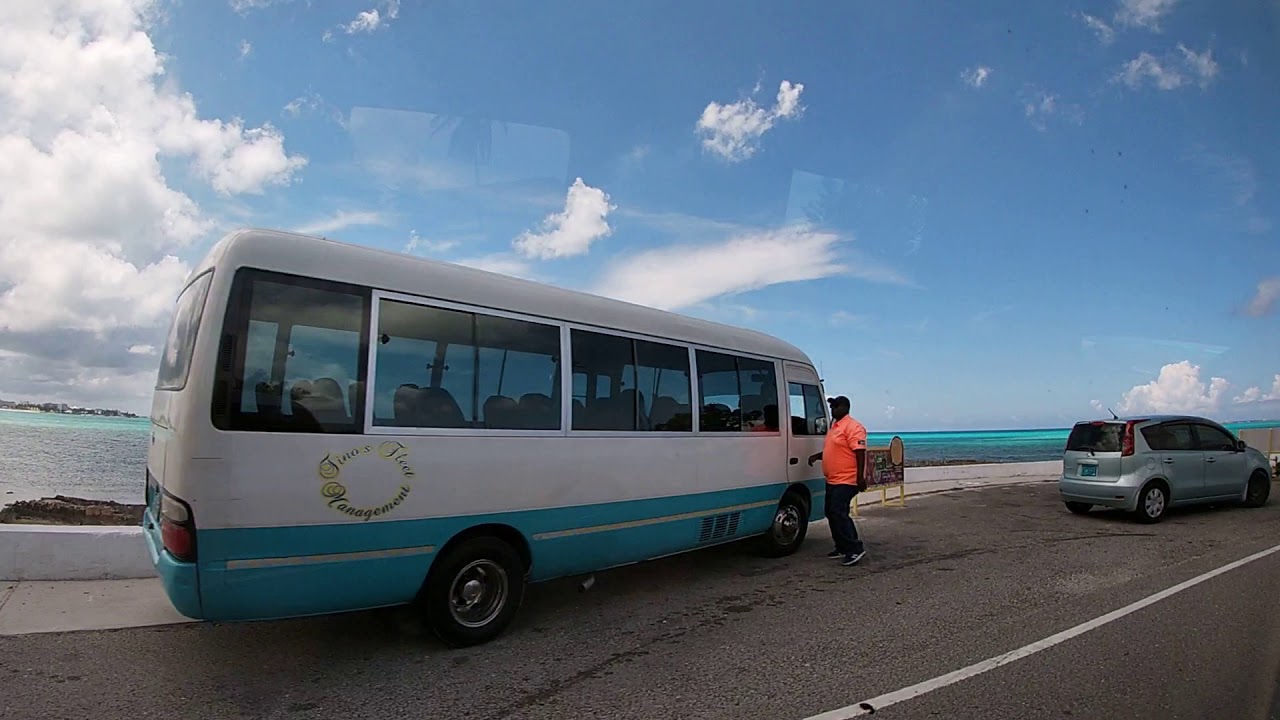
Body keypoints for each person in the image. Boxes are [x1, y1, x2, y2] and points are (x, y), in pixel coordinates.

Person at [808, 395, 867, 566]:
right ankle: (841, 546)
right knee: (831, 512)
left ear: (845, 407)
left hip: (847, 479)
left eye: (836, 406)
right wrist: (818, 456)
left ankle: (855, 548)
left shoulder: (853, 427)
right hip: (833, 479)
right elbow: (834, 449)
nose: (833, 410)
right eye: (832, 407)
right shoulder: (835, 427)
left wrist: (860, 477)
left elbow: (860, 451)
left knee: (839, 513)